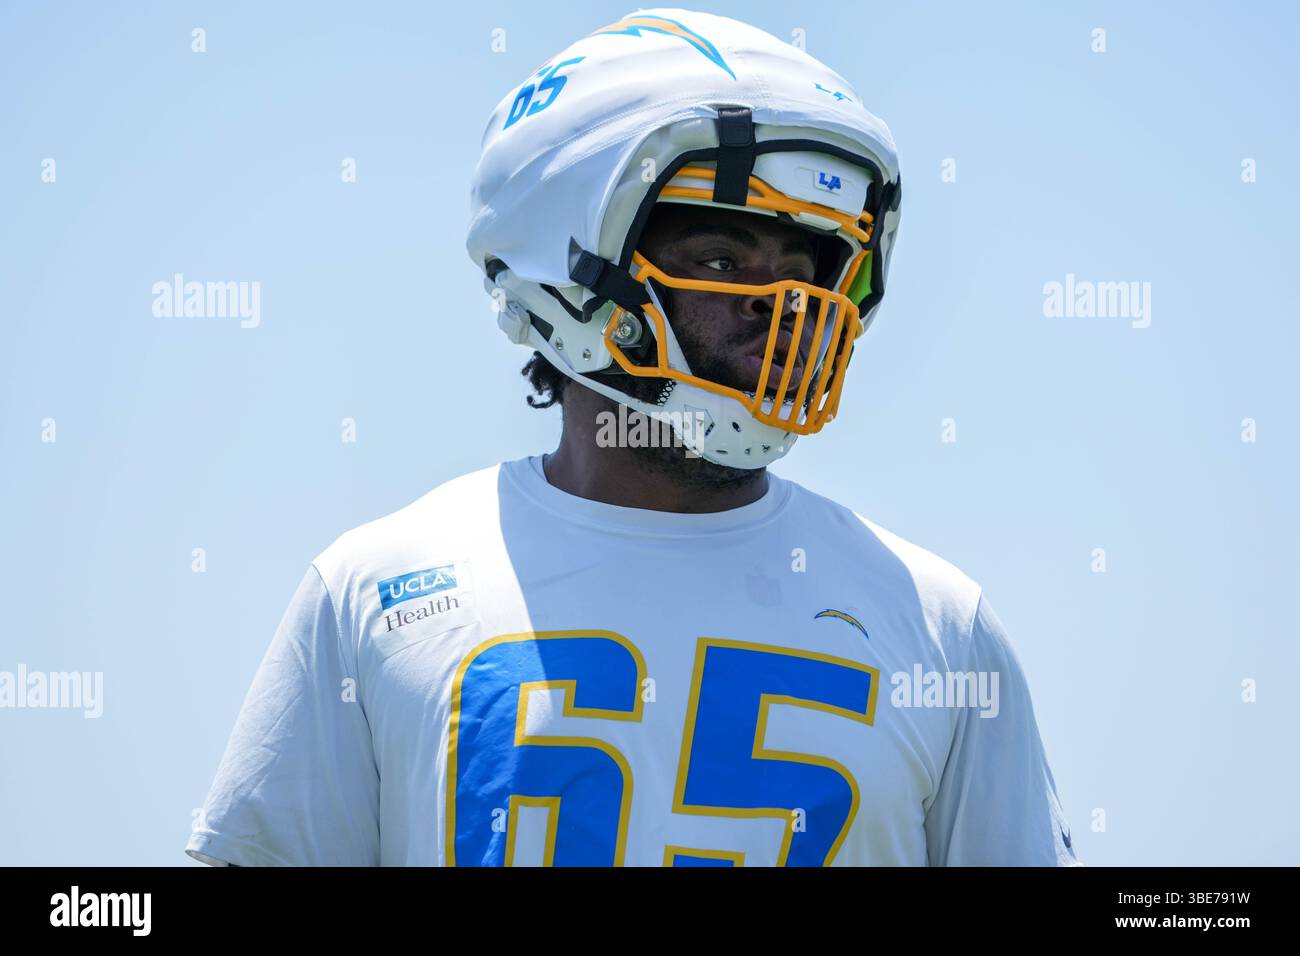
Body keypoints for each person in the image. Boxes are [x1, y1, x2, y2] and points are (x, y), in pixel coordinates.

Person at [186, 8, 1078, 867]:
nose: (784, 313)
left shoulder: (941, 624)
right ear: (561, 269)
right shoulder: (373, 592)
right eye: (723, 262)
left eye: (804, 272)